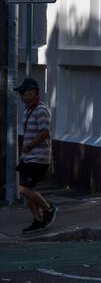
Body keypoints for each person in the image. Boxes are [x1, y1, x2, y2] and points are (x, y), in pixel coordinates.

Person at [15, 77, 57, 233]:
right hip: (28, 157)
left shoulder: (41, 110)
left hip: (39, 157)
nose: (21, 95)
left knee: (23, 188)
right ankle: (38, 220)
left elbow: (44, 132)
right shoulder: (28, 109)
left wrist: (30, 145)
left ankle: (49, 208)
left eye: (23, 92)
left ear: (33, 92)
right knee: (29, 191)